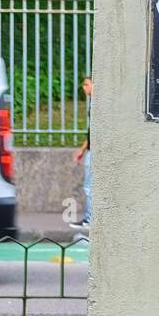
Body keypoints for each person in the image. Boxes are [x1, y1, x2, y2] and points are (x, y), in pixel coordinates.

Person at [71, 76, 93, 233]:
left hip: (94, 152)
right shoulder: (95, 104)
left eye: (86, 84)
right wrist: (82, 149)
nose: (83, 87)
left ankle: (89, 219)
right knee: (90, 185)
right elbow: (91, 131)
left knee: (89, 186)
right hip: (91, 150)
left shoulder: (98, 105)